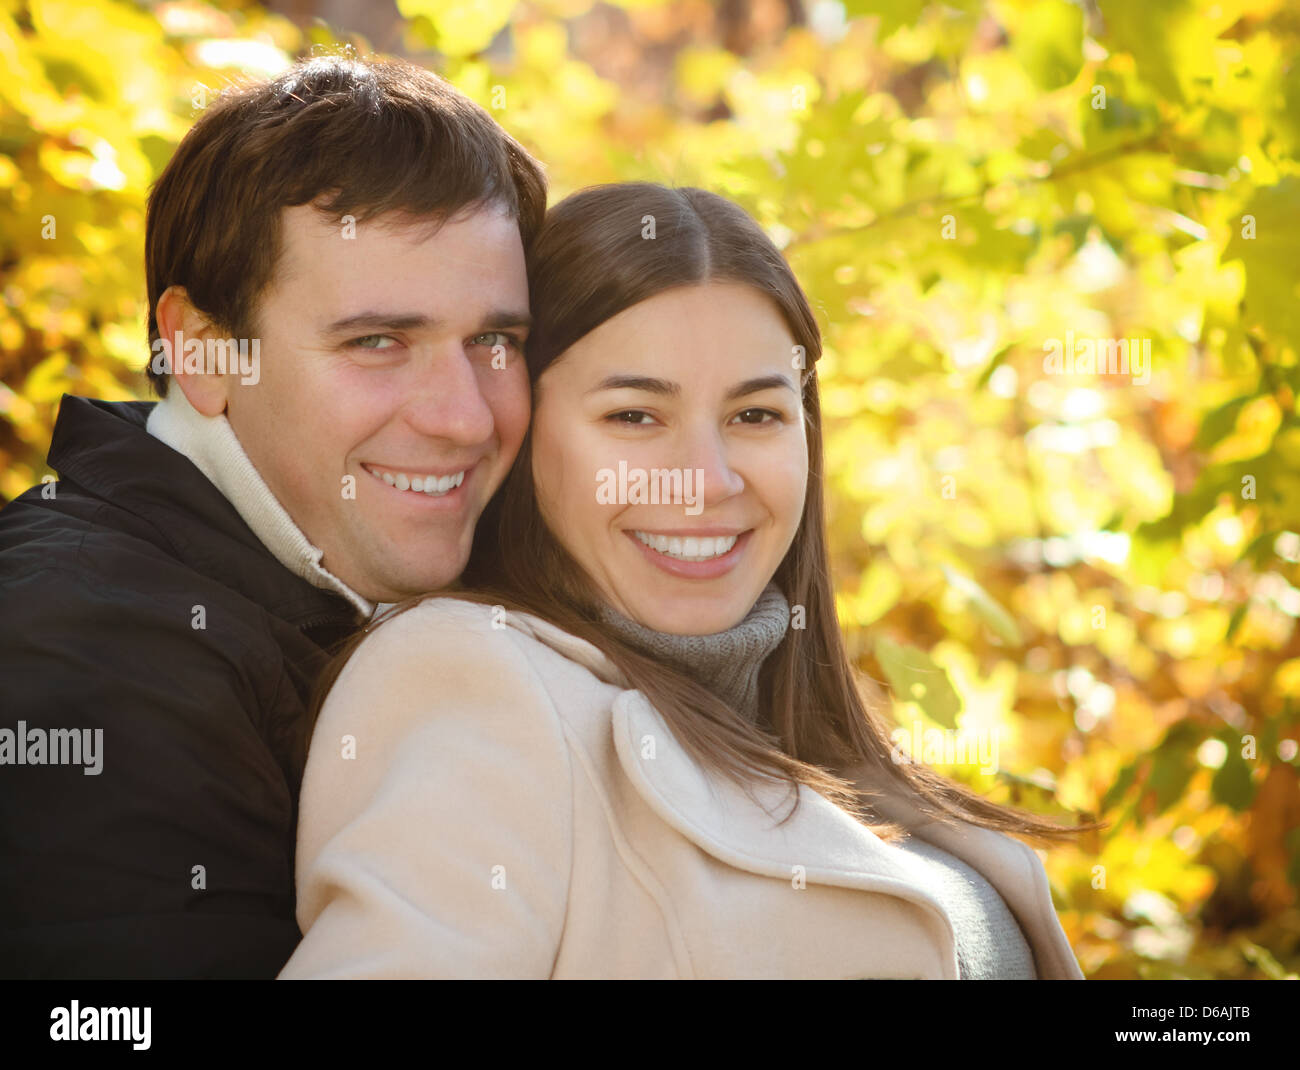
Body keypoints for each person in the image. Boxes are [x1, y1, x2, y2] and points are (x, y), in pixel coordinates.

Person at [280, 182, 1100, 979]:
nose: (705, 480)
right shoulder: (474, 684)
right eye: (634, 416)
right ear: (525, 437)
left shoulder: (810, 737)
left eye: (755, 416)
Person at [0, 54, 545, 978]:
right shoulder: (90, 655)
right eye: (378, 342)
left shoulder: (401, 572)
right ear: (204, 353)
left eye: (494, 341)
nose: (465, 416)